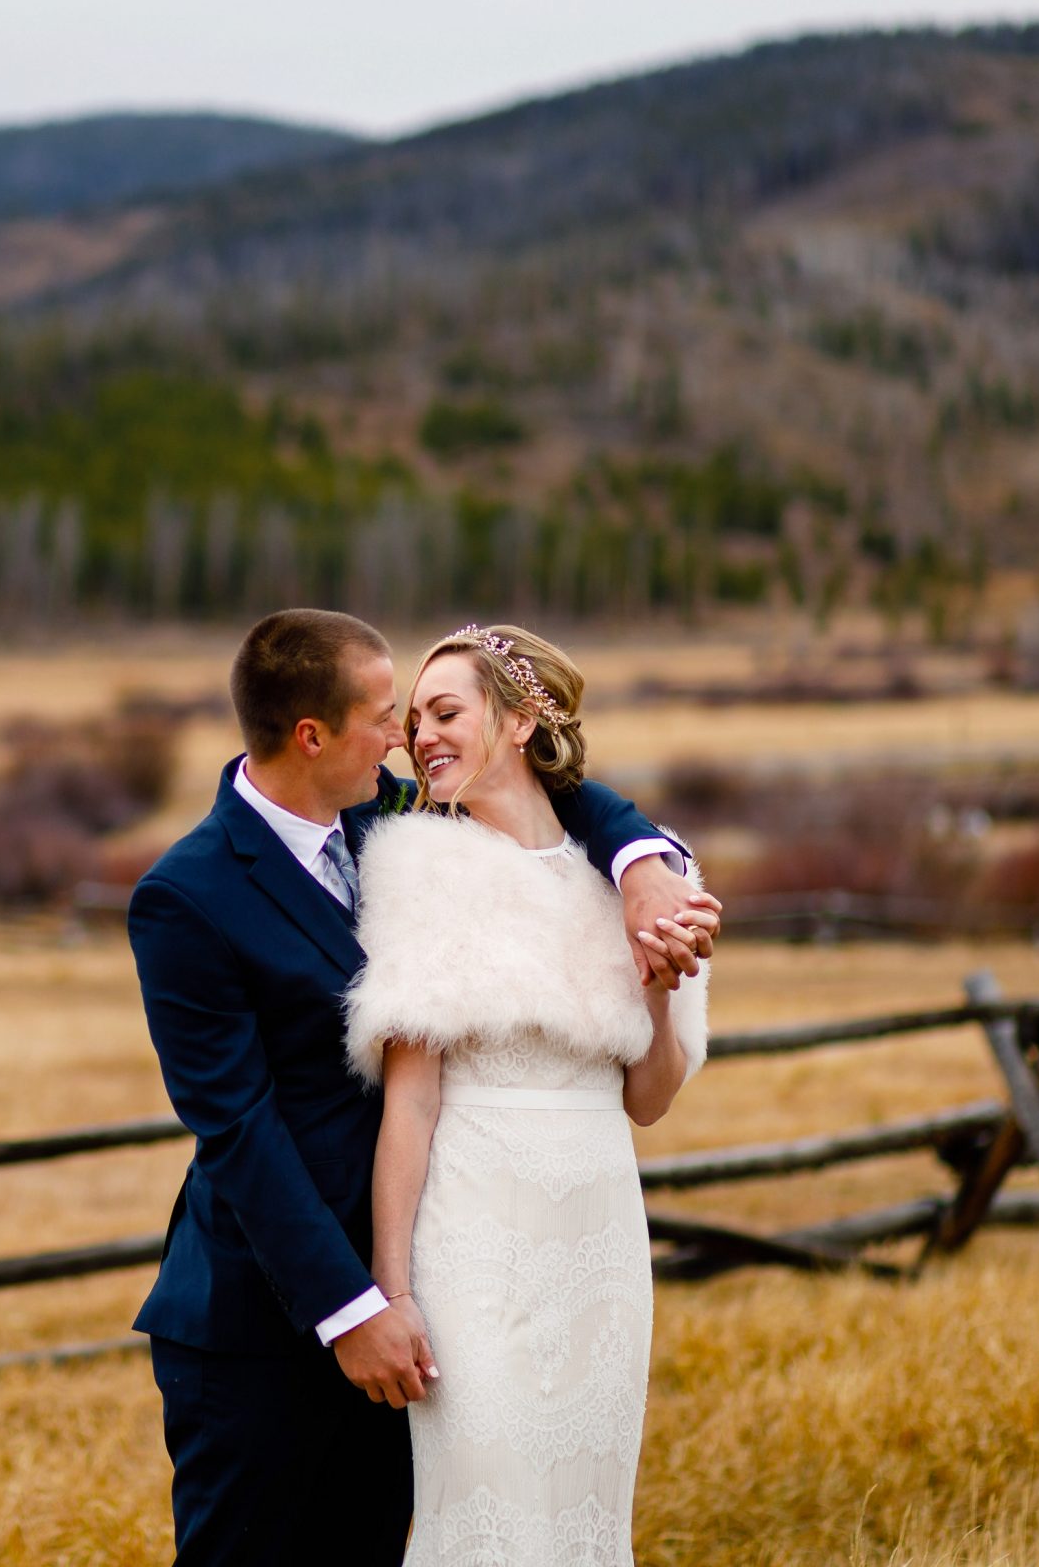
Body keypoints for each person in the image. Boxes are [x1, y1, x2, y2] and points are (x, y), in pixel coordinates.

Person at [128, 609, 720, 1566]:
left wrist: (641, 863)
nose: (404, 739)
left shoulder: (386, 818)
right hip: (269, 1315)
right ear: (311, 737)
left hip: (433, 1288)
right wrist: (357, 1307)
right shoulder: (186, 895)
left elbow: (553, 794)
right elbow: (237, 1130)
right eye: (383, 717)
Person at [345, 622, 710, 1565]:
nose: (420, 736)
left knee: (585, 1509)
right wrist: (391, 1286)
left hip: (598, 1244)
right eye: (414, 717)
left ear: (520, 722)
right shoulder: (420, 866)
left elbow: (650, 1099)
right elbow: (411, 1108)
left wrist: (658, 996)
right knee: (489, 1506)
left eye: (446, 712)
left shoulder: (639, 880)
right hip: (475, 1243)